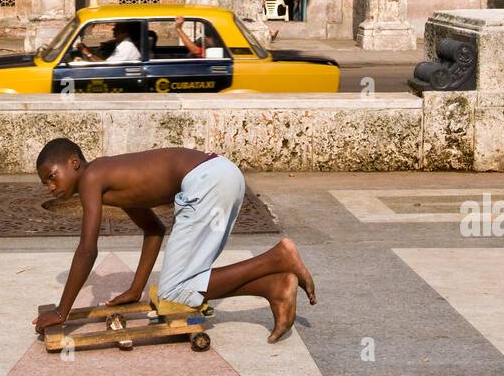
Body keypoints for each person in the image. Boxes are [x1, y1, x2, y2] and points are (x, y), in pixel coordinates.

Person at [32, 139, 316, 343]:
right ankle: (274, 285)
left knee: (174, 293)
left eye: (52, 176)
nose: (52, 186)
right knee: (181, 288)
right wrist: (135, 288)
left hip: (207, 182)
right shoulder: (110, 179)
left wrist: (61, 311)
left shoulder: (92, 177)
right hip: (218, 174)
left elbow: (87, 249)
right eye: (46, 183)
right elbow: (154, 229)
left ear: (74, 162)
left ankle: (277, 258)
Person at [71, 21, 140, 64]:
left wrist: (87, 53)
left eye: (117, 29)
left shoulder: (126, 46)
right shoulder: (120, 43)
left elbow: (105, 65)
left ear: (125, 32)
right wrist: (88, 50)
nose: (113, 29)